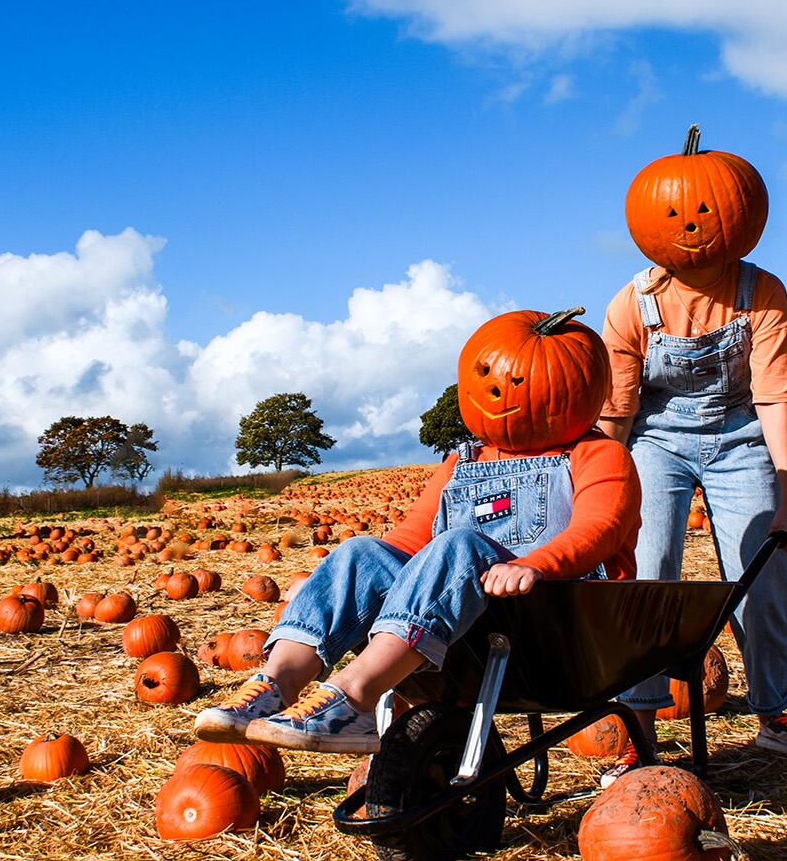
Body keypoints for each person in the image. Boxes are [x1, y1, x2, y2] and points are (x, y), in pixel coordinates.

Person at [194, 307, 639, 754]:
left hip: (553, 625)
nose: (498, 388)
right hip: (464, 638)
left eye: (521, 381)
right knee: (361, 553)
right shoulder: (461, 464)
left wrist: (537, 564)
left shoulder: (598, 455)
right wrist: (329, 585)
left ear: (579, 388)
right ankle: (277, 684)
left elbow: (601, 526)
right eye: (485, 372)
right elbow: (407, 542)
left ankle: (355, 696)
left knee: (459, 545)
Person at [594, 126, 787, 783]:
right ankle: (640, 736)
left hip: (740, 437)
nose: (691, 224)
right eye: (675, 213)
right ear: (648, 225)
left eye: (705, 209)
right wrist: (602, 499)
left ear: (742, 213)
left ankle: (772, 714)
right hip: (654, 441)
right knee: (645, 577)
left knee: (762, 575)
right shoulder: (633, 305)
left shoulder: (762, 294)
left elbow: (773, 398)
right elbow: (616, 413)